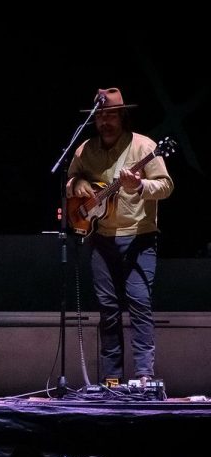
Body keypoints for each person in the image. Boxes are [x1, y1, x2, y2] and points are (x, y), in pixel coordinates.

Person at [66, 88, 173, 383]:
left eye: (111, 114)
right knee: (108, 310)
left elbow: (165, 186)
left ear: (122, 115)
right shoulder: (85, 149)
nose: (105, 121)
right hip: (101, 239)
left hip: (139, 238)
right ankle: (111, 379)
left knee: (139, 304)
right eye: (100, 116)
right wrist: (76, 186)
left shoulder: (144, 147)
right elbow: (71, 180)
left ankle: (143, 377)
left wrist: (139, 186)